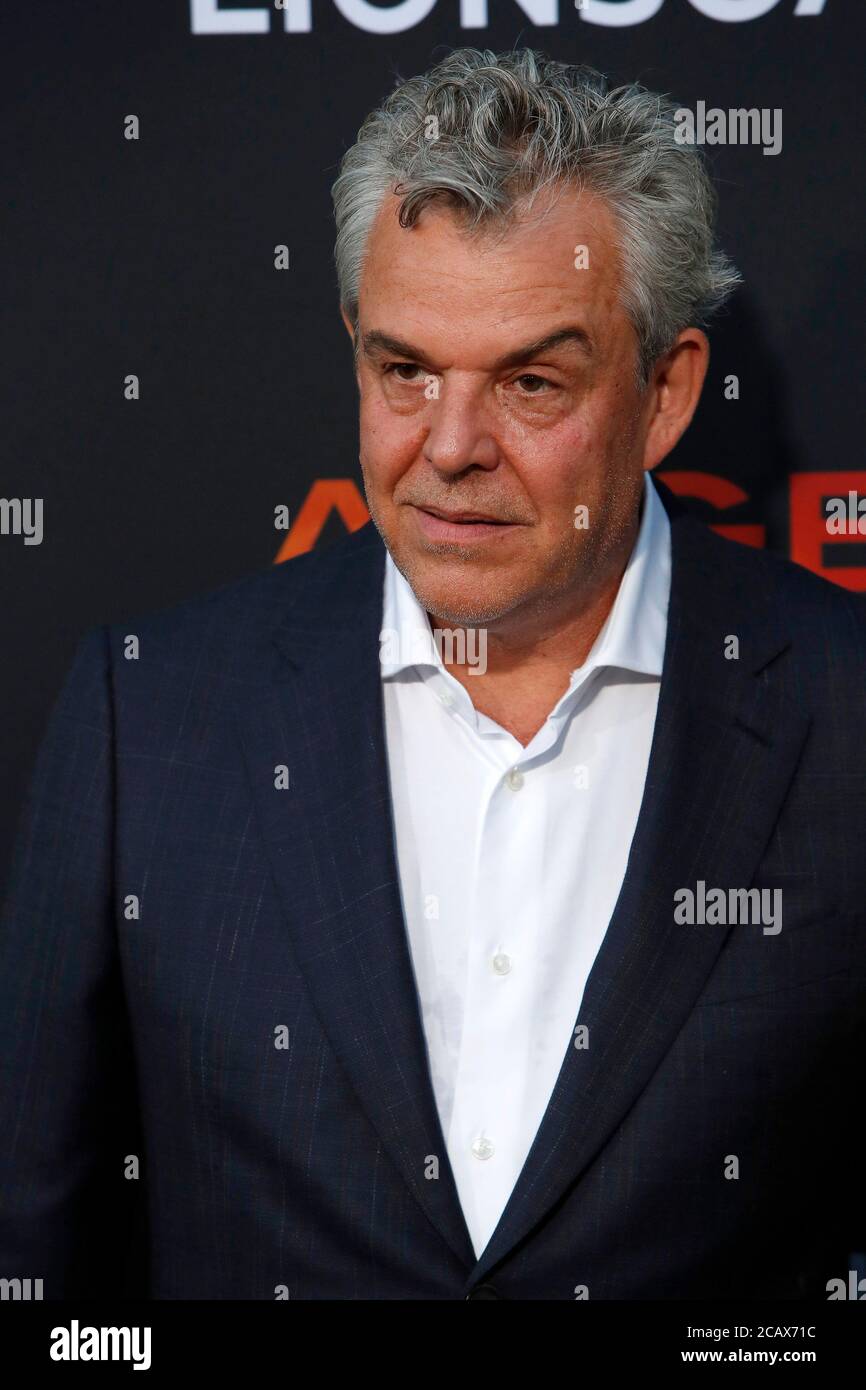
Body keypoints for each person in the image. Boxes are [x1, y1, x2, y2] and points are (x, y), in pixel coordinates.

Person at [1, 46, 864, 1301]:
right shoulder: (151, 713)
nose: (448, 449)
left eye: (529, 382)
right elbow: (35, 1241)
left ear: (665, 392)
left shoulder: (840, 712)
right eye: (404, 370)